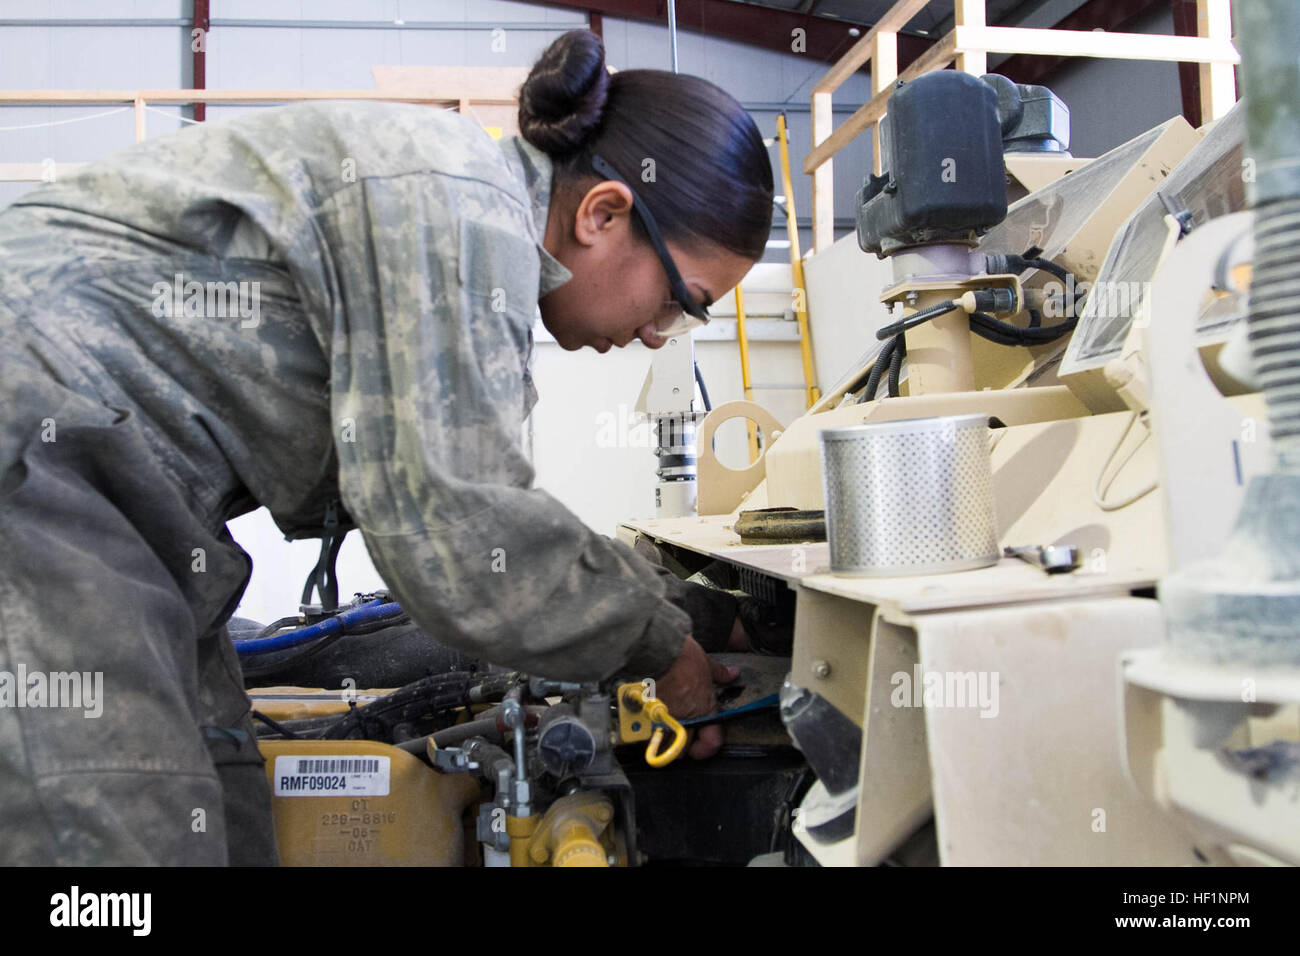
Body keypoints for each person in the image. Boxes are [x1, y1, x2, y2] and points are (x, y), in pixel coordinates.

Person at [0, 29, 774, 865]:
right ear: (604, 213)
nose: (660, 338)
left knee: (222, 802)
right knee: (123, 841)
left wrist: (663, 614)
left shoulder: (473, 227)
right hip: (43, 464)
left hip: (138, 502)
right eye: (678, 301)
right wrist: (662, 646)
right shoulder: (459, 206)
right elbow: (464, 539)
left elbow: (475, 505)